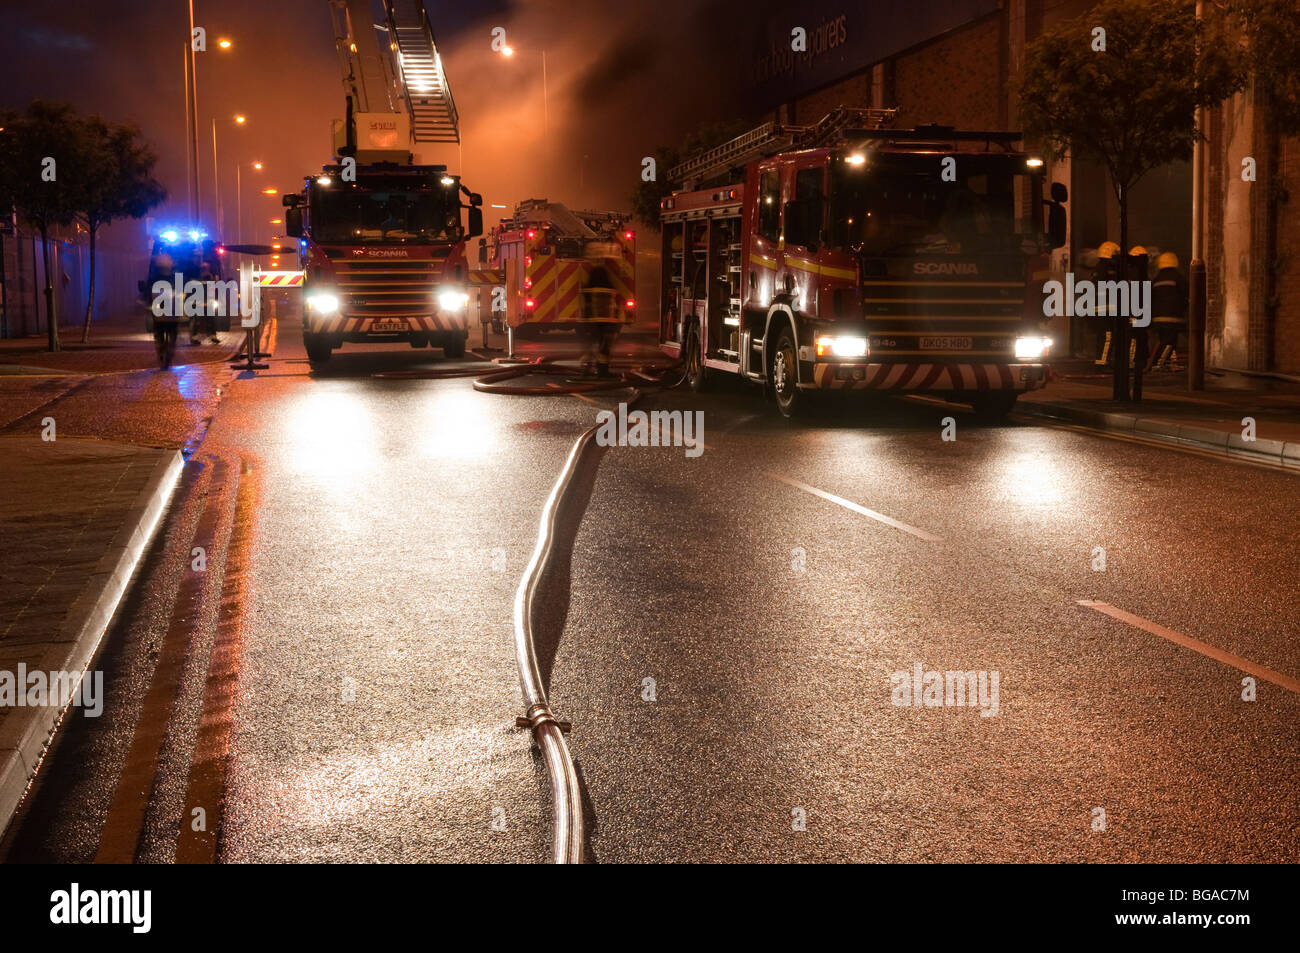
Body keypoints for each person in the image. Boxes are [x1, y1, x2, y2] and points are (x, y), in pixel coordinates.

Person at [1148, 251, 1188, 371]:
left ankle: (1163, 363)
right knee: (1170, 342)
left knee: (1162, 341)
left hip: (1157, 318)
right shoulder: (1177, 277)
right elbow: (1188, 293)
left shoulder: (1156, 279)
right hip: (1173, 317)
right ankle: (1160, 364)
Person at [1092, 241, 1120, 365]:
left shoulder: (1097, 268)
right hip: (1108, 309)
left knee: (1102, 337)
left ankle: (1102, 361)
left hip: (1099, 308)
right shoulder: (1109, 270)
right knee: (1108, 337)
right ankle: (1102, 363)